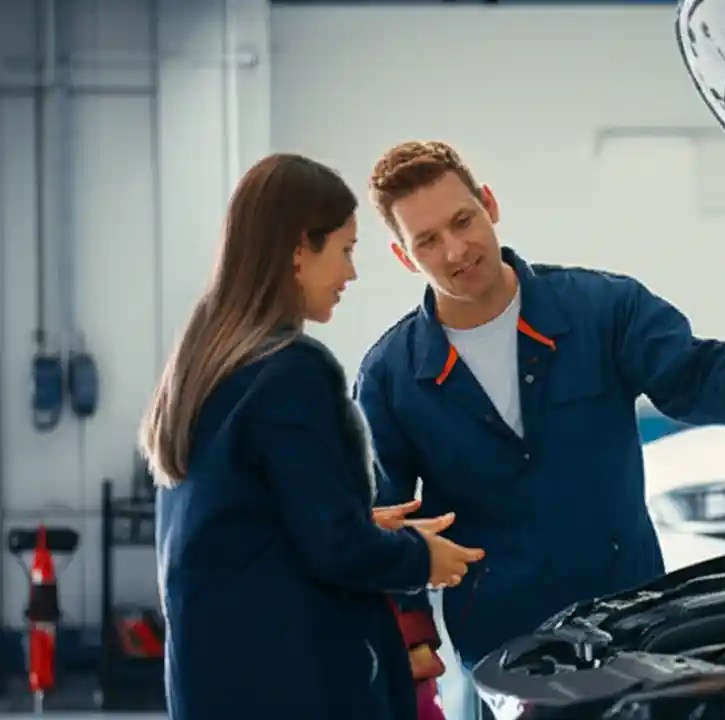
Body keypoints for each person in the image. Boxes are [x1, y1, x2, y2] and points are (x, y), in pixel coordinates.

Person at [354, 140, 725, 714]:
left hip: (634, 619)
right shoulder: (390, 376)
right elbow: (384, 519)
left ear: (489, 205)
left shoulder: (602, 310)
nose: (455, 249)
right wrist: (413, 640)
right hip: (504, 648)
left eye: (462, 221)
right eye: (427, 240)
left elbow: (695, 374)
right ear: (405, 257)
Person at [139, 153, 483, 720]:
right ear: (300, 250)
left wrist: (365, 521)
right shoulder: (292, 371)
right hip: (294, 687)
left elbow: (242, 526)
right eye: (345, 251)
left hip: (215, 687)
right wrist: (422, 559)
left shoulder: (203, 366)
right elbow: (337, 549)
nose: (350, 273)